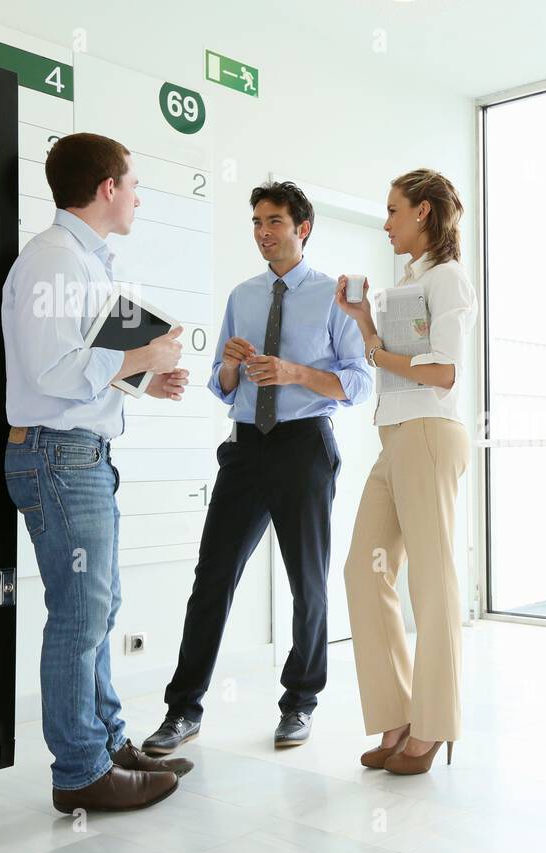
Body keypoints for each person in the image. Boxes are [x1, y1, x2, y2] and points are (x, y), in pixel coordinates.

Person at [143, 181, 372, 753]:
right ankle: (182, 711)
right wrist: (228, 366)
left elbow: (359, 382)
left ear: (302, 228)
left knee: (307, 583)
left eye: (274, 222)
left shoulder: (333, 297)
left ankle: (300, 703)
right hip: (245, 448)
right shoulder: (243, 295)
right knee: (212, 579)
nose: (263, 233)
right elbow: (222, 386)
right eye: (256, 222)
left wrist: (294, 373)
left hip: (304, 446)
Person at [2, 132, 193, 813]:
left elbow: (80, 364)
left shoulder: (81, 261)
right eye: (133, 184)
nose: (138, 196)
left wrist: (142, 376)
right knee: (79, 616)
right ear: (108, 188)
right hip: (58, 455)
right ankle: (81, 772)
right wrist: (139, 358)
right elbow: (50, 372)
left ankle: (108, 746)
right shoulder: (55, 261)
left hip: (76, 454)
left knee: (97, 609)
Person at [338, 169, 475, 775]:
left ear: (423, 212)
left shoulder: (448, 279)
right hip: (394, 436)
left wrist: (378, 350)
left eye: (394, 210)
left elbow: (442, 372)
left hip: (428, 435)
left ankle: (434, 724)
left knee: (432, 581)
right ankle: (396, 715)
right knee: (364, 570)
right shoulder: (409, 281)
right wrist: (363, 320)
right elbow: (391, 361)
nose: (386, 222)